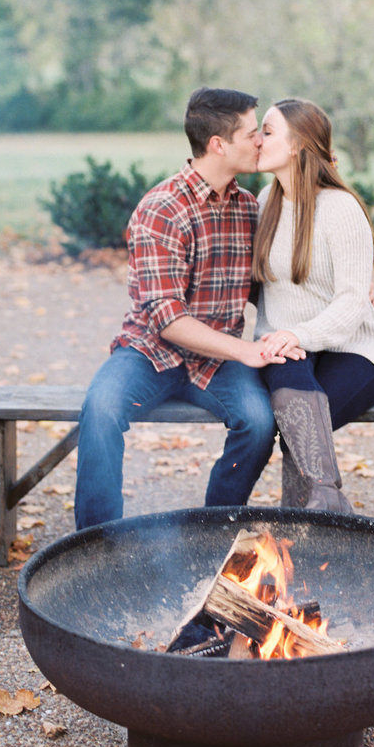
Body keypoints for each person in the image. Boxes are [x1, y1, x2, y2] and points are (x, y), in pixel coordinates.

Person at [74, 87, 294, 530]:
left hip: (218, 362)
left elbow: (272, 281)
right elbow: (168, 320)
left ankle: (211, 534)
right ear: (218, 145)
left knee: (257, 422)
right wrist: (245, 352)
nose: (260, 142)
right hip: (150, 353)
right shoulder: (162, 209)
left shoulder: (249, 208)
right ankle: (95, 548)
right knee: (100, 408)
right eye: (252, 133)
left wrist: (351, 291)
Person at [252, 97, 374, 513]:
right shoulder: (266, 203)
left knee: (301, 431)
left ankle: (306, 530)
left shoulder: (340, 209)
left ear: (298, 144)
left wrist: (299, 333)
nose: (257, 141)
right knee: (293, 392)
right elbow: (247, 283)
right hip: (289, 349)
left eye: (267, 131)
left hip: (355, 350)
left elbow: (353, 303)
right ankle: (326, 503)